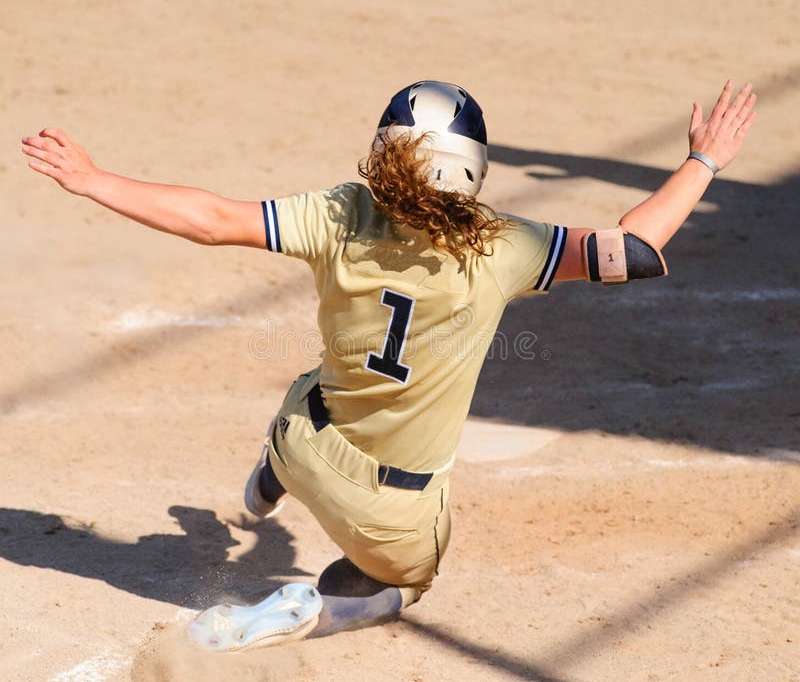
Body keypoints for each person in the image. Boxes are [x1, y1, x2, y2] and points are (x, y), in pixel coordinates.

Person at [21, 79, 756, 651]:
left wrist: (93, 178)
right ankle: (310, 613)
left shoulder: (343, 213)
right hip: (391, 514)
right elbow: (634, 250)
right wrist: (704, 158)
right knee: (405, 583)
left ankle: (273, 474)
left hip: (309, 440)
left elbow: (212, 220)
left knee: (311, 381)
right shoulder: (503, 246)